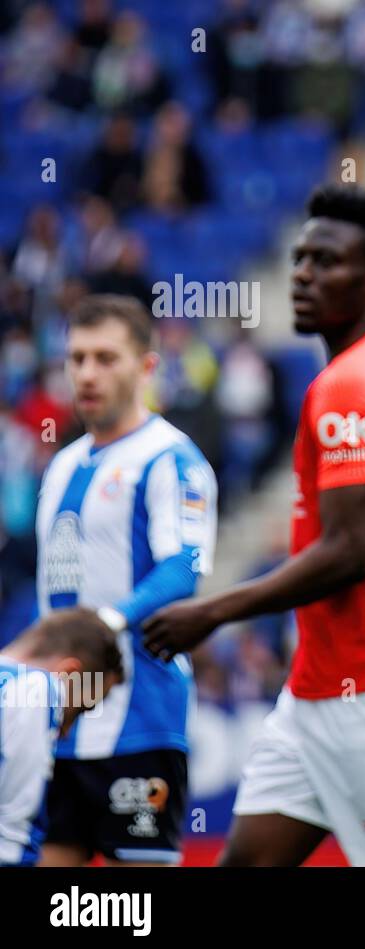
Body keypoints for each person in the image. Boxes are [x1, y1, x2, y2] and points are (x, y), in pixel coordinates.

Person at [142, 185, 365, 867]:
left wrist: (213, 612)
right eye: (299, 258)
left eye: (327, 262)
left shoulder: (351, 386)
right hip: (319, 689)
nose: (302, 275)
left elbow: (349, 553)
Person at [36, 294, 218, 867]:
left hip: (139, 719)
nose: (87, 374)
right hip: (59, 726)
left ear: (146, 367)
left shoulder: (170, 459)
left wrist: (107, 622)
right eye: (78, 358)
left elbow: (184, 567)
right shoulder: (62, 465)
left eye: (106, 358)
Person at [1, 609, 122, 866]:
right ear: (69, 675)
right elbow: (10, 839)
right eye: (79, 711)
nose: (65, 733)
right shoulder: (35, 687)